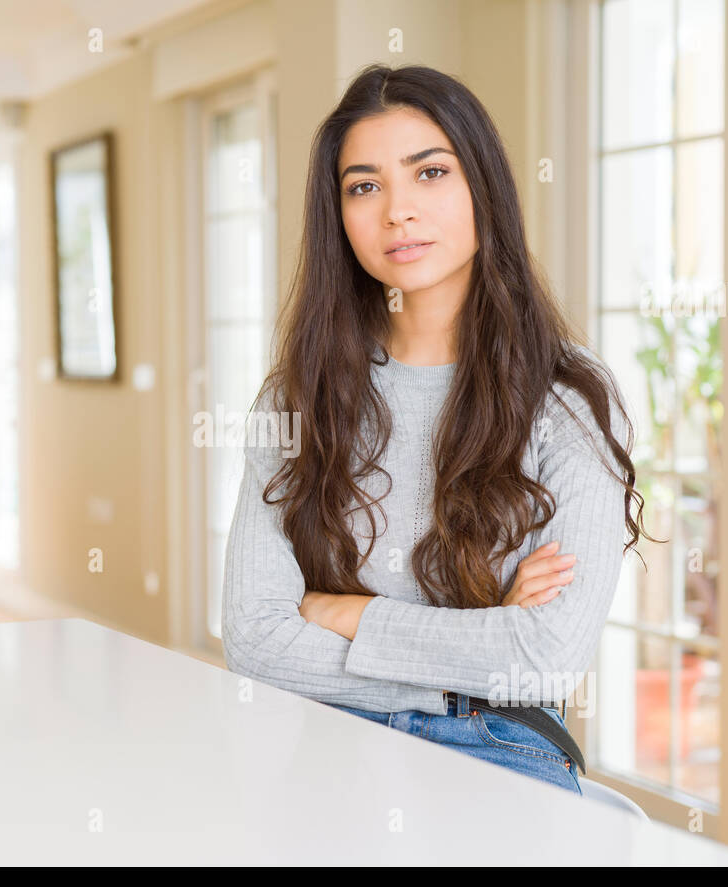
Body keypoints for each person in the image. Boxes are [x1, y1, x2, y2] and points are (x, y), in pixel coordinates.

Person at [220, 63, 653, 796]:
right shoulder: (297, 398)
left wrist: (347, 613)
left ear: (482, 186)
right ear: (340, 216)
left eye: (430, 173)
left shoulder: (569, 396)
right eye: (364, 185)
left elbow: (545, 657)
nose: (398, 211)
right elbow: (256, 640)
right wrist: (468, 658)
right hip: (329, 740)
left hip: (498, 747)